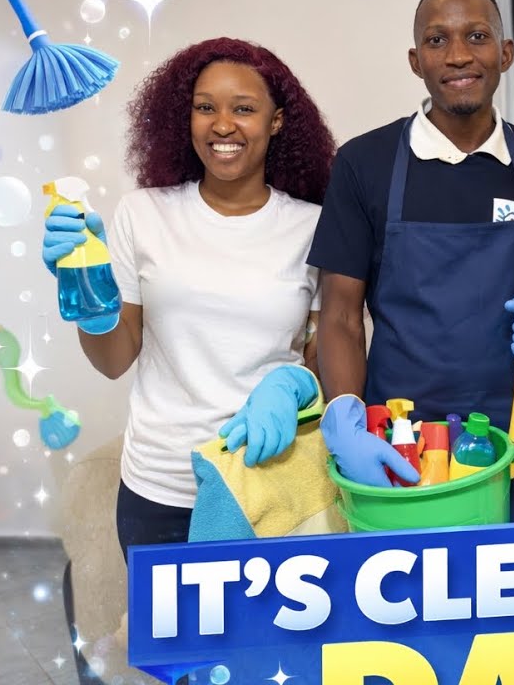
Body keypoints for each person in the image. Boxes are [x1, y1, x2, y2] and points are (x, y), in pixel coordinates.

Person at [307, 0, 514, 522]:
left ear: (505, 53)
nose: (459, 54)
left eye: (477, 36)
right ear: (415, 60)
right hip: (402, 436)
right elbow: (341, 315)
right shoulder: (364, 164)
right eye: (437, 40)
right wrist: (346, 415)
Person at [41, 38, 337, 554]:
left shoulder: (313, 227)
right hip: (160, 486)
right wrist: (86, 293)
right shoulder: (142, 214)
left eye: (243, 109)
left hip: (269, 483)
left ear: (276, 122)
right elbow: (113, 361)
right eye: (205, 108)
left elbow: (324, 364)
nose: (222, 125)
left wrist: (294, 386)